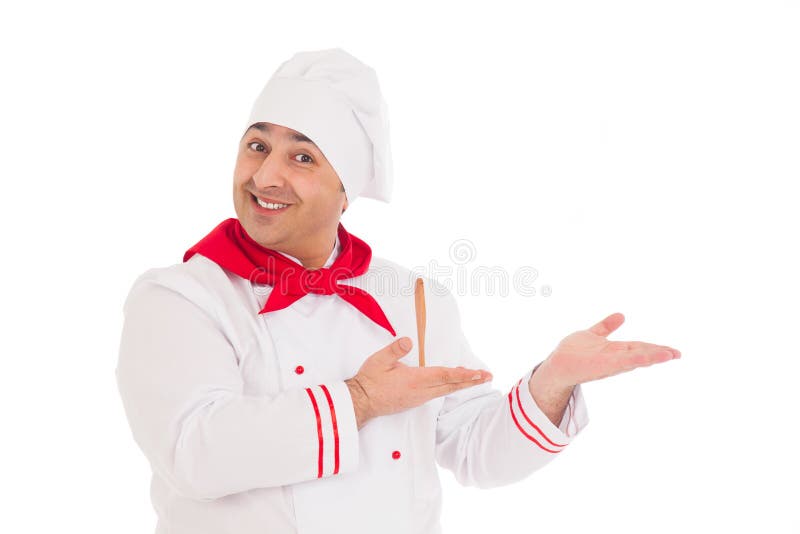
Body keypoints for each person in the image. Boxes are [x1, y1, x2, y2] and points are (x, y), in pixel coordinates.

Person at [116, 48, 681, 534]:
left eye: (303, 157)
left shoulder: (411, 297)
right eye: (257, 146)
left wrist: (552, 384)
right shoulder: (180, 298)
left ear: (347, 189)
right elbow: (194, 453)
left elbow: (475, 451)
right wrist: (360, 400)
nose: (265, 176)